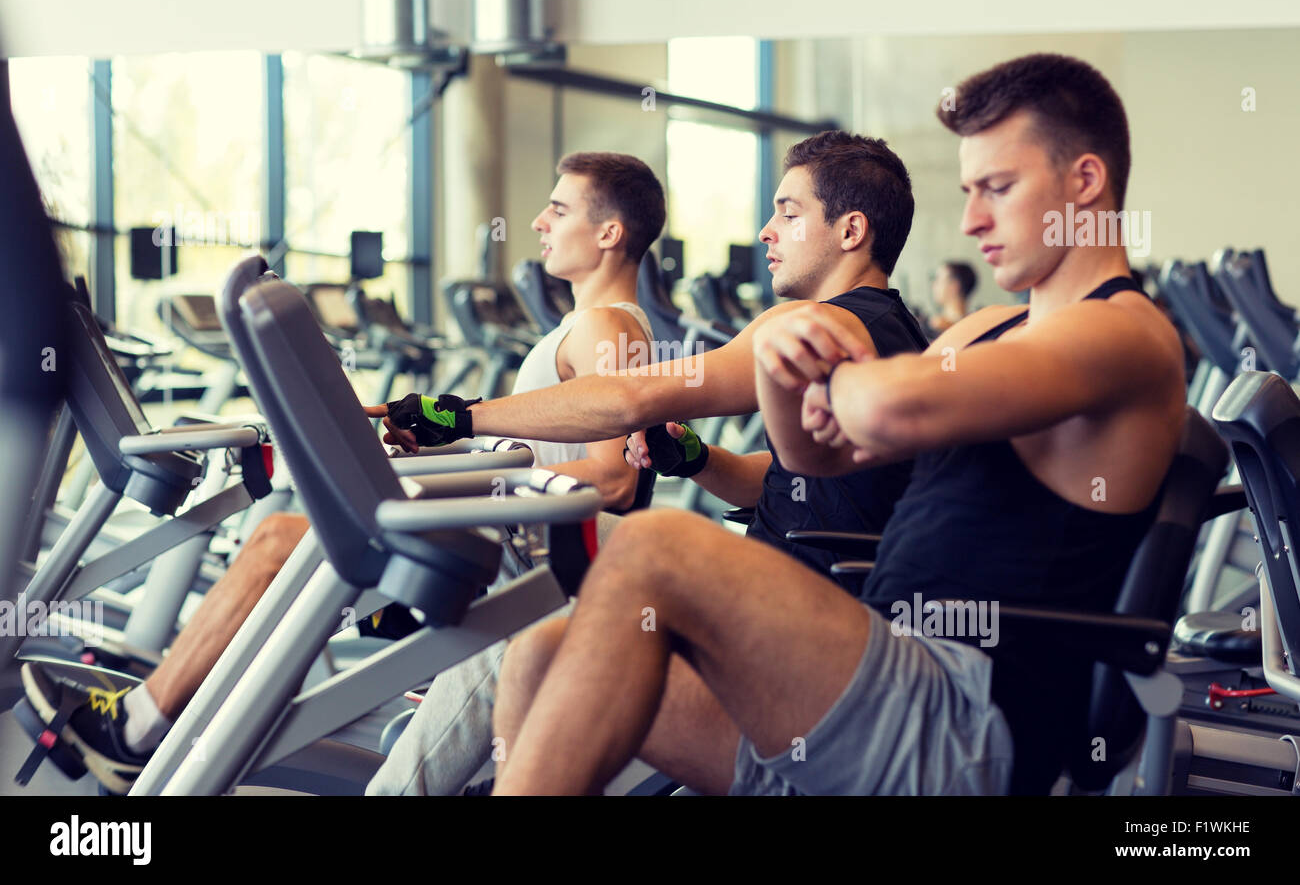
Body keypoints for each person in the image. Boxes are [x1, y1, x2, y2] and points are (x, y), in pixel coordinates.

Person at [487, 52, 1187, 797]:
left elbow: (886, 406)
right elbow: (815, 457)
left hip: (965, 720)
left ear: (1084, 182)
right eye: (968, 191)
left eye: (999, 188)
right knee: (542, 655)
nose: (973, 219)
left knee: (659, 544)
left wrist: (819, 366)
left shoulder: (1125, 335)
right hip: (876, 673)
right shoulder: (983, 328)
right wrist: (785, 375)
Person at [19, 151, 664, 794]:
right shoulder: (584, 326)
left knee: (282, 545)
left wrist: (473, 475)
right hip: (508, 534)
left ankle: (141, 731)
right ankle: (172, 723)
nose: (537, 222)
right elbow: (536, 447)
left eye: (558, 208)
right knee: (288, 545)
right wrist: (439, 450)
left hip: (531, 559)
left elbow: (613, 481)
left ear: (609, 233)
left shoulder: (609, 327)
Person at [369, 129, 928, 794]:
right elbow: (790, 482)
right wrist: (694, 456)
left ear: (851, 229)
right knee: (532, 630)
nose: (764, 231)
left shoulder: (823, 325)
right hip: (790, 599)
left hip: (800, 625)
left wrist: (462, 417)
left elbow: (629, 396)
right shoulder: (875, 325)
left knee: (522, 621)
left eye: (788, 211)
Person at [927, 259, 978, 337]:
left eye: (938, 279)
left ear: (954, 285)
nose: (933, 285)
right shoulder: (977, 324)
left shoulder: (937, 327)